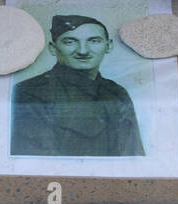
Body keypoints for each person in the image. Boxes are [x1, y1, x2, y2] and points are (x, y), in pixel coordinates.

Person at [11, 14, 145, 157]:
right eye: (70, 42)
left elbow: (133, 157)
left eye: (94, 41)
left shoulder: (117, 93)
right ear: (52, 48)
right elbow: (35, 161)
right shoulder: (30, 91)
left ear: (108, 46)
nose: (83, 51)